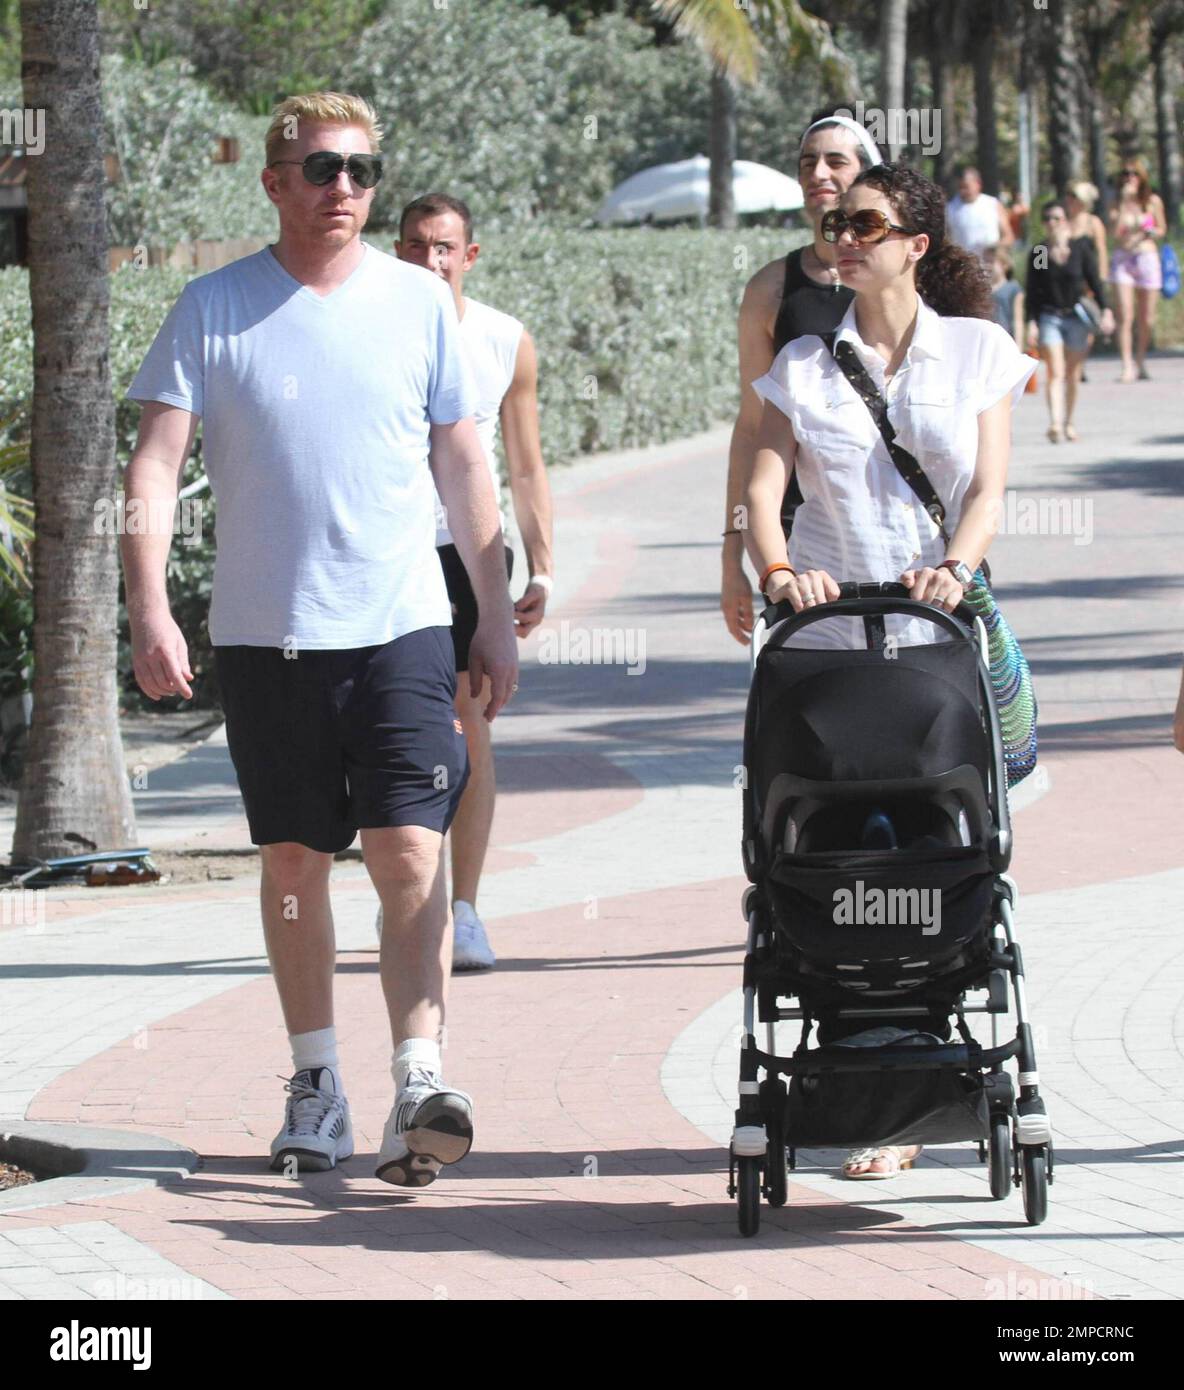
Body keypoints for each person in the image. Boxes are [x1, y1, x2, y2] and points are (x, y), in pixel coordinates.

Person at [121, 92, 518, 1189]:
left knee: (409, 851)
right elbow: (155, 463)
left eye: (361, 170)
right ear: (274, 182)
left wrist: (492, 608)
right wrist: (148, 606)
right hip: (268, 636)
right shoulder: (213, 305)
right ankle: (316, 1085)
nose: (344, 186)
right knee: (295, 861)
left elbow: (463, 461)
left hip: (402, 625)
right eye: (321, 168)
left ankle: (420, 1079)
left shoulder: (418, 301)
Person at [744, 163, 1035, 1176]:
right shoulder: (803, 362)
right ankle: (858, 1054)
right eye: (835, 222)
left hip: (932, 643)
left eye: (864, 223)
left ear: (914, 243)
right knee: (834, 843)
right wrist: (778, 572)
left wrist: (957, 567)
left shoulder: (976, 350)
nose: (842, 236)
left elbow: (987, 488)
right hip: (827, 649)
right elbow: (763, 488)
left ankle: (913, 1071)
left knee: (934, 842)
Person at [385, 191, 555, 971]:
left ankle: (465, 909)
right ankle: (406, 894)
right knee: (391, 727)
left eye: (444, 247)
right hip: (385, 550)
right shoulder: (369, 326)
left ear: (469, 256)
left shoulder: (503, 340)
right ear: (398, 251)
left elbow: (526, 464)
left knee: (469, 724)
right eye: (417, 245)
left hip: (467, 549)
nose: (431, 260)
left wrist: (542, 565)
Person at [720, 110, 878, 645]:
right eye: (808, 163)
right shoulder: (770, 289)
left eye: (836, 161)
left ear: (867, 174)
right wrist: (733, 558)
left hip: (892, 517)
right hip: (796, 530)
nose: (819, 173)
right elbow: (750, 428)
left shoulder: (899, 283)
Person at [1025, 200, 1115, 442]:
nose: (1052, 223)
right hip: (1050, 316)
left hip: (1076, 317)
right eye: (1047, 219)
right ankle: (1055, 423)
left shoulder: (1079, 249)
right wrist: (1031, 321)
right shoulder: (1041, 252)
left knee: (1072, 374)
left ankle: (1069, 422)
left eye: (1056, 218)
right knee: (1055, 371)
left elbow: (1094, 281)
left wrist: (1106, 309)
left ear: (1065, 221)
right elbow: (1034, 290)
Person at [1107, 157, 1168, 382]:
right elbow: (1114, 233)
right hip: (1123, 258)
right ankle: (1126, 364)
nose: (1129, 178)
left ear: (1142, 178)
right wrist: (1124, 203)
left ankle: (1140, 360)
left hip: (1146, 256)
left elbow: (1162, 228)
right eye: (1125, 174)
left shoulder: (1152, 201)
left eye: (1134, 174)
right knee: (1124, 314)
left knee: (1147, 317)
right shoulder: (1116, 203)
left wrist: (1152, 232)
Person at [1063, 182, 1110, 383]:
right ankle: (1071, 363)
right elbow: (1042, 251)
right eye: (1068, 196)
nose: (1069, 200)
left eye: (1073, 196)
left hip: (1089, 280)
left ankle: (1078, 363)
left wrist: (1101, 278)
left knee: (1086, 320)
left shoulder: (1093, 222)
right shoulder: (1062, 222)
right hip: (1066, 281)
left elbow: (1101, 250)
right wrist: (1042, 272)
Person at [946, 166, 1013, 260]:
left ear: (978, 184)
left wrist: (996, 248)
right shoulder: (950, 208)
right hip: (963, 265)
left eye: (966, 187)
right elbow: (946, 240)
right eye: (960, 187)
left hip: (990, 264)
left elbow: (1008, 237)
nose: (962, 191)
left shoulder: (992, 204)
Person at [986, 244, 1024, 344]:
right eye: (985, 261)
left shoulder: (1013, 288)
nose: (987, 265)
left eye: (991, 262)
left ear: (1004, 265)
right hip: (988, 338)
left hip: (1005, 338)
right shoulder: (982, 288)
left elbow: (1017, 320)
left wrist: (1018, 345)